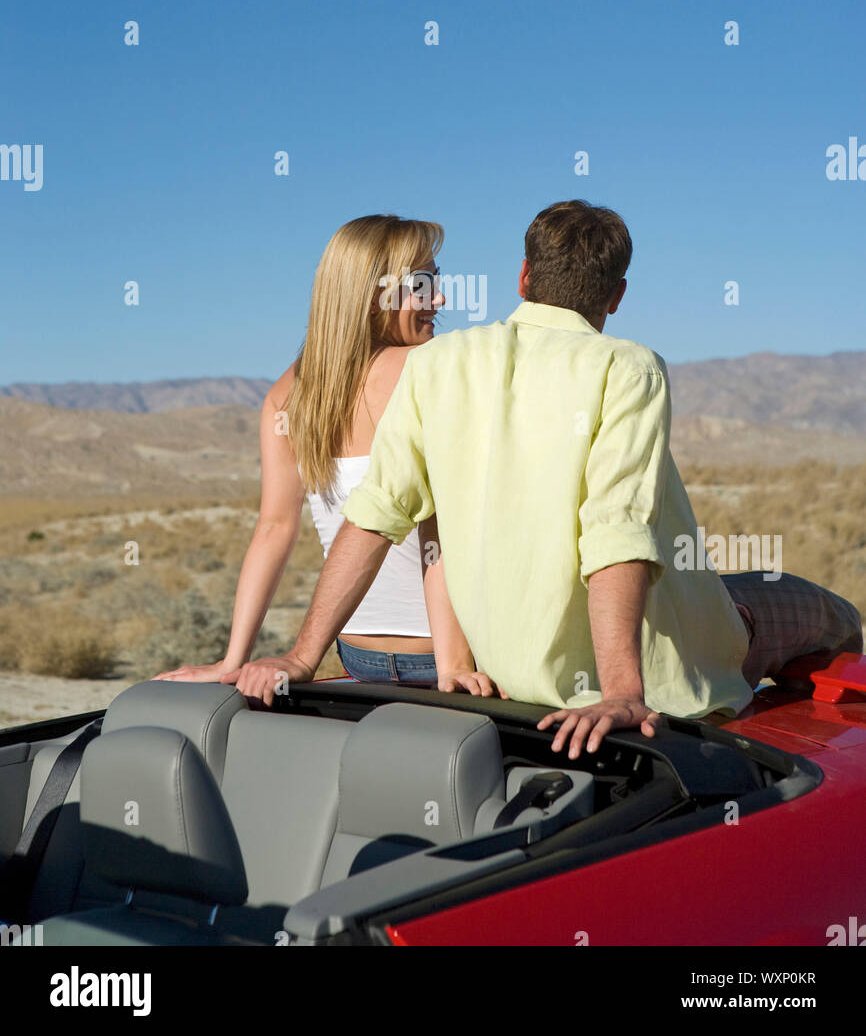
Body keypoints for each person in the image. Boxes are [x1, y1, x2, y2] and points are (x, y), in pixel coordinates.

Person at [222, 200, 862, 756]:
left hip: (491, 662)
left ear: (523, 277)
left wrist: (302, 655)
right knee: (828, 613)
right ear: (617, 296)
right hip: (645, 659)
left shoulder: (440, 364)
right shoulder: (628, 366)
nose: (437, 298)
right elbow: (616, 531)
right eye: (424, 283)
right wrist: (622, 693)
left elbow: (374, 515)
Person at [155, 214, 496, 696]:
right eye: (423, 283)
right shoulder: (428, 369)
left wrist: (233, 658)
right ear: (377, 292)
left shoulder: (287, 395)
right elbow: (439, 533)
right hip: (449, 659)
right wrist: (453, 661)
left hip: (358, 655)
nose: (438, 299)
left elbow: (274, 529)